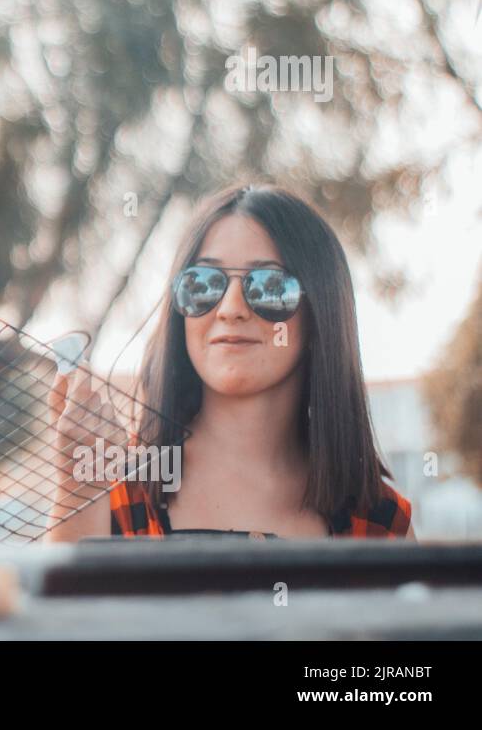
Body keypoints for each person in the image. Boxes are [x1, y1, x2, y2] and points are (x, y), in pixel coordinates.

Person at [46, 184, 415, 541]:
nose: (231, 309)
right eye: (204, 283)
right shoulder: (111, 484)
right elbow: (58, 604)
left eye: (270, 285)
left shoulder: (380, 521)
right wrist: (79, 491)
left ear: (321, 310)